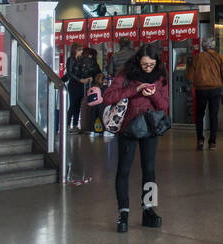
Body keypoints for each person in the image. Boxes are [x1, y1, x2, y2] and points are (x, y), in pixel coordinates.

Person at [103, 43, 170, 233]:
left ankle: (148, 209)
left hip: (150, 126)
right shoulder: (126, 72)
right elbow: (109, 97)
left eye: (151, 65)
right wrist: (135, 90)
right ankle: (123, 212)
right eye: (144, 64)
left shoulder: (160, 77)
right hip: (128, 127)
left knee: (149, 170)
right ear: (138, 61)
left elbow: (164, 106)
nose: (148, 67)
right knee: (124, 169)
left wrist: (154, 94)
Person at [188, 35, 223, 150]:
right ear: (213, 46)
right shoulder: (219, 57)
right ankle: (212, 142)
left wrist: (196, 82)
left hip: (201, 91)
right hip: (215, 91)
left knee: (199, 116)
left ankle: (200, 140)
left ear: (203, 46)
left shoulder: (197, 58)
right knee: (213, 116)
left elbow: (190, 76)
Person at [67, 44, 100, 134]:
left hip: (80, 85)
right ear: (76, 50)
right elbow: (70, 73)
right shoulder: (71, 60)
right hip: (74, 85)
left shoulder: (79, 60)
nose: (82, 51)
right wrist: (81, 80)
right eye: (80, 49)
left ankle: (74, 125)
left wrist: (88, 77)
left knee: (77, 106)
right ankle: (67, 125)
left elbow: (82, 72)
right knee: (73, 105)